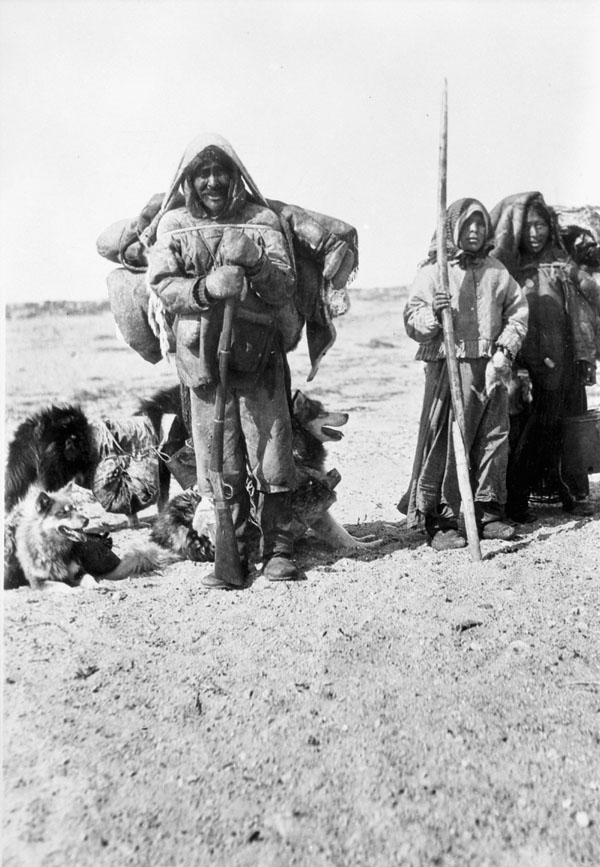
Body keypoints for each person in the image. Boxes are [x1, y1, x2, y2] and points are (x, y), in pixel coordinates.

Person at [146, 133, 301, 588]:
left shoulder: (261, 220)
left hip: (258, 357)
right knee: (219, 459)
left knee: (271, 454)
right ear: (189, 181)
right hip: (201, 362)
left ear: (236, 176)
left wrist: (254, 260)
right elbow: (162, 284)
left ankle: (279, 550)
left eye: (221, 172)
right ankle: (232, 549)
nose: (213, 182)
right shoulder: (174, 226)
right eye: (203, 174)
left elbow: (283, 287)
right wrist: (206, 289)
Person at [398, 198, 529, 551]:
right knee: (447, 440)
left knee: (493, 437)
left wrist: (504, 350)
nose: (474, 232)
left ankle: (488, 512)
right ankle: (441, 520)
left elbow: (517, 312)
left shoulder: (498, 272)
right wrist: (433, 315)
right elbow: (413, 319)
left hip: (492, 368)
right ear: (453, 229)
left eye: (480, 225)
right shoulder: (433, 272)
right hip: (449, 369)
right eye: (467, 225)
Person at [490, 192, 598, 522]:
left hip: (563, 364)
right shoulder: (507, 272)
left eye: (540, 226)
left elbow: (594, 300)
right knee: (530, 432)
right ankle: (517, 499)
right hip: (525, 366)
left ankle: (567, 492)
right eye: (528, 227)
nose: (535, 234)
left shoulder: (563, 265)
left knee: (562, 428)